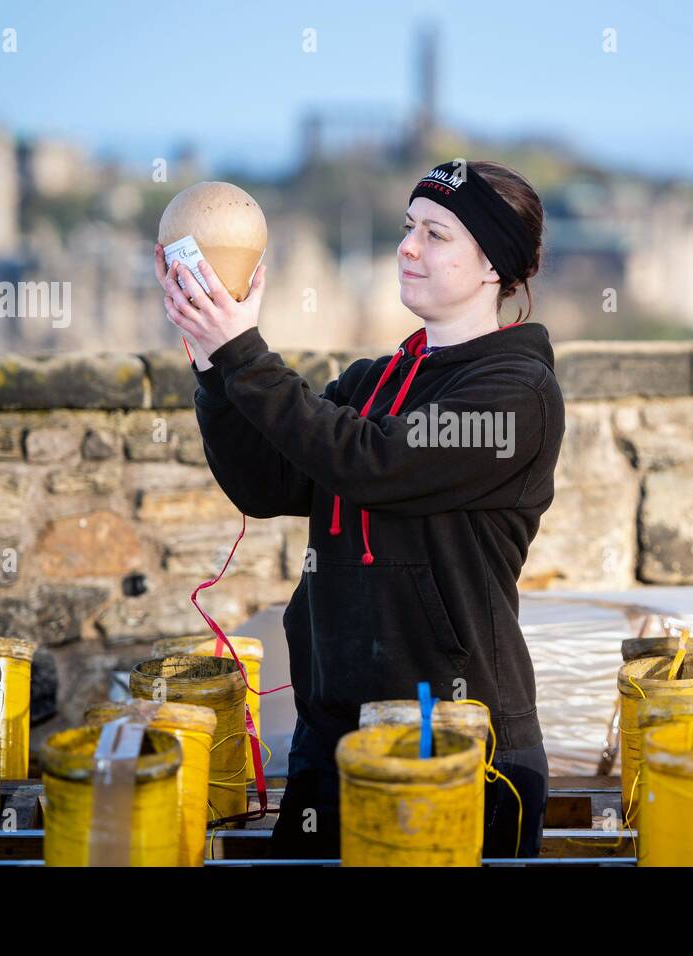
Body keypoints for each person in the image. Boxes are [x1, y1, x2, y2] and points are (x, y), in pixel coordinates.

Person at [155, 159, 564, 860]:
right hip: (331, 741)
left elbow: (370, 462)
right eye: (408, 228)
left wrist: (244, 353)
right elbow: (268, 483)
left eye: (436, 235)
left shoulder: (517, 394)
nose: (407, 247)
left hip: (460, 744)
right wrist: (211, 365)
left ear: (493, 265)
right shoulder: (373, 383)